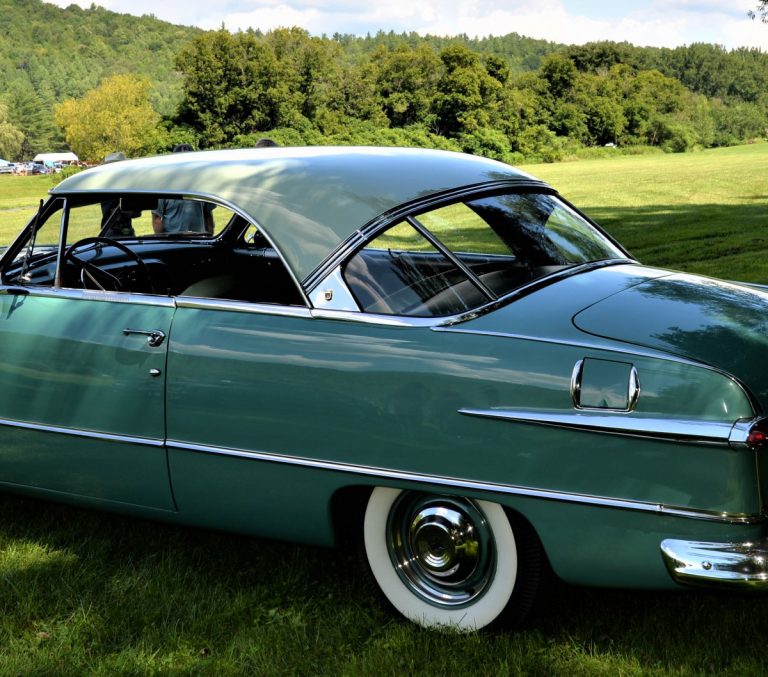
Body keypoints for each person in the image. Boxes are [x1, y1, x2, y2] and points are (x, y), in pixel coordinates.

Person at [151, 144, 214, 234]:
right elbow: (157, 218)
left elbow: (208, 216)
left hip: (199, 240)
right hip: (174, 242)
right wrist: (162, 241)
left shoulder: (201, 185)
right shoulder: (164, 186)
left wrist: (210, 239)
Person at [100, 152, 136, 237]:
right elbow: (119, 212)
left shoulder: (121, 186)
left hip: (126, 231)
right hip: (113, 233)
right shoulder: (109, 188)